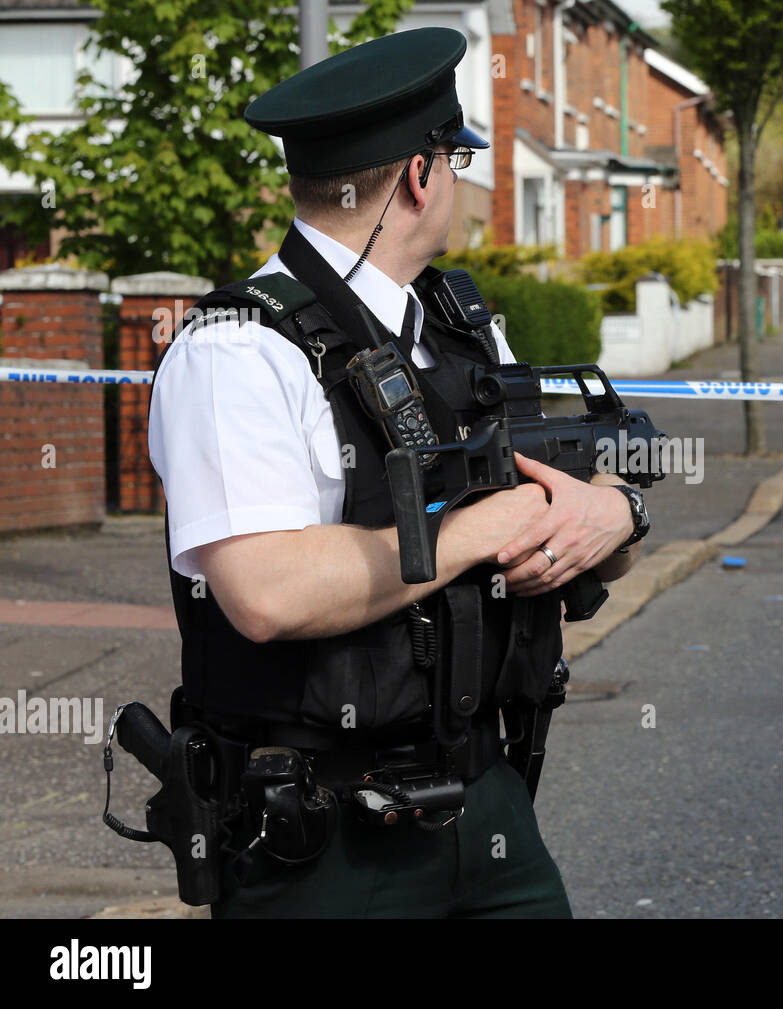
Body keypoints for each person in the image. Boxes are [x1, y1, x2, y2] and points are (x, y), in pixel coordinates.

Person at [147, 27, 650, 918]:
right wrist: (481, 528)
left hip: (488, 801)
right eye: (455, 159)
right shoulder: (238, 351)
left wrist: (614, 517)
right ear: (423, 175)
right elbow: (264, 592)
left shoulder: (460, 328)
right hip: (327, 840)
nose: (456, 179)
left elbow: (559, 488)